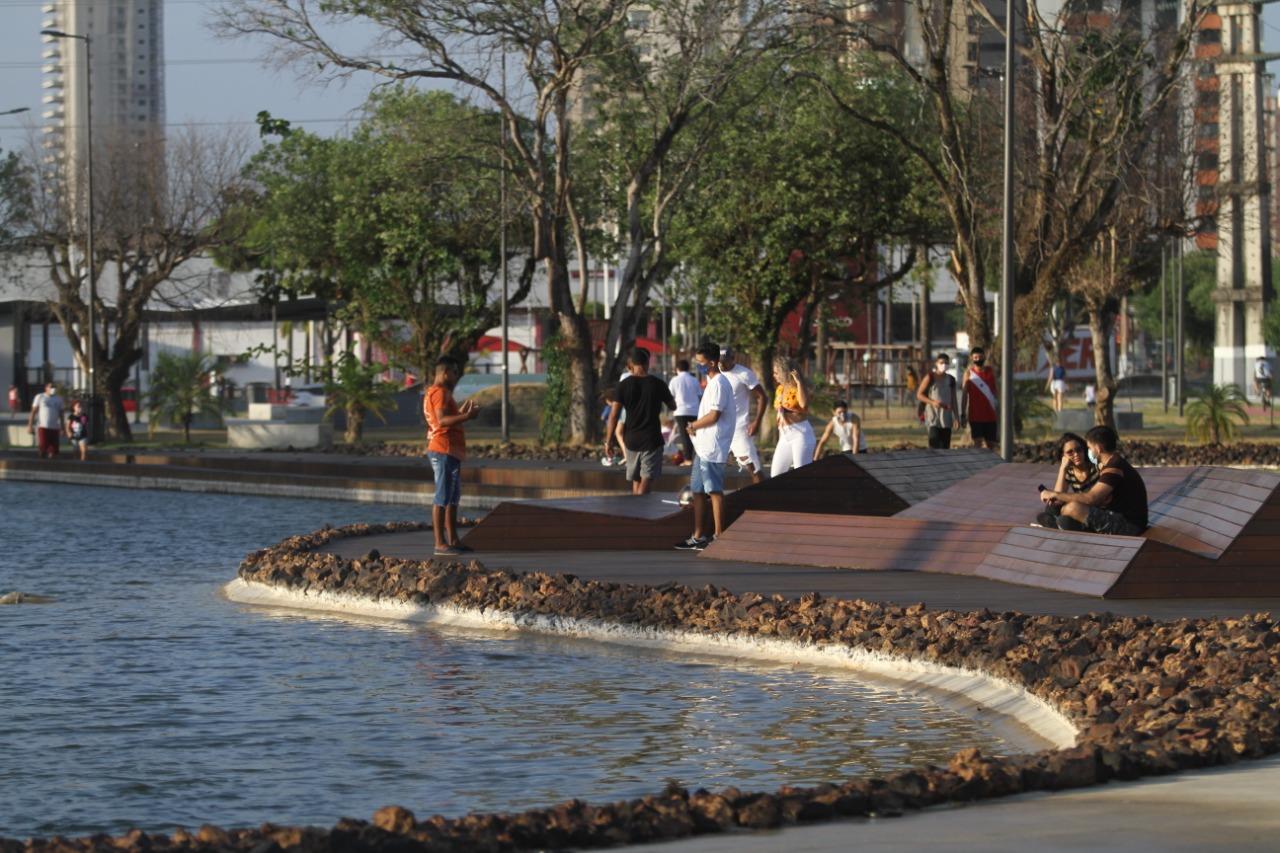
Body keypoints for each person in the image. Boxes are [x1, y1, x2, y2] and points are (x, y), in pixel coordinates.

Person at [676, 341, 736, 550]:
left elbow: (714, 415)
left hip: (713, 446)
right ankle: (698, 535)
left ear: (712, 362)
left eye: (701, 363)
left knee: (714, 491)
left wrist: (693, 424)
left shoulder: (720, 383)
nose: (698, 366)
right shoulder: (711, 383)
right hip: (702, 446)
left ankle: (719, 535)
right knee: (697, 491)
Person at [1037, 425, 1147, 535]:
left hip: (1129, 525)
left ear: (1098, 448)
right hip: (1119, 517)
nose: (1087, 451)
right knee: (1058, 510)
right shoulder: (1112, 463)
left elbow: (1091, 498)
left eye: (1089, 447)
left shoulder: (1114, 467)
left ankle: (1061, 525)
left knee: (1072, 508)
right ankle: (1062, 524)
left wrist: (1055, 495)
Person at [424, 356, 480, 557]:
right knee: (442, 496)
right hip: (443, 450)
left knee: (452, 497)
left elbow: (448, 417)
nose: (457, 377)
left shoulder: (438, 392)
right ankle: (440, 543)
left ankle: (453, 539)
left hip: (450, 451)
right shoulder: (440, 392)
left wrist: (462, 412)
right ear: (445, 372)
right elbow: (441, 421)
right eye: (455, 373)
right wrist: (467, 416)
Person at [605, 346, 677, 495]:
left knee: (636, 479)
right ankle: (640, 512)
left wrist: (609, 441)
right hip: (651, 439)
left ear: (631, 364)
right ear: (647, 363)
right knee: (647, 479)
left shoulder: (623, 386)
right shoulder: (658, 384)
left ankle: (634, 513)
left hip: (631, 440)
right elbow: (673, 406)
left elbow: (613, 416)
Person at [718, 347, 768, 484]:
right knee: (710, 467)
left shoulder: (744, 373)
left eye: (725, 361)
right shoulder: (715, 373)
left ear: (733, 359)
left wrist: (757, 421)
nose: (722, 365)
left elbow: (763, 397)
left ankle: (763, 501)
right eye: (719, 361)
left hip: (738, 428)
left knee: (753, 467)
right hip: (718, 428)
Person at [1034, 432, 1097, 526]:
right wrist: (1062, 469)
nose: (1076, 454)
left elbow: (1092, 499)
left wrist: (1055, 496)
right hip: (1078, 505)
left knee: (1063, 519)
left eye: (1079, 450)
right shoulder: (1069, 472)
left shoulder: (1095, 469)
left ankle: (1058, 524)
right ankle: (1059, 524)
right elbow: (1057, 497)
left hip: (1091, 509)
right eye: (1070, 452)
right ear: (1063, 456)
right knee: (1051, 508)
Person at [770, 356, 814, 476]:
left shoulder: (800, 387)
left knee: (801, 475)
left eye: (776, 372)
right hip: (784, 436)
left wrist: (799, 382)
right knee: (775, 475)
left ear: (784, 372)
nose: (774, 375)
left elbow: (804, 405)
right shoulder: (779, 389)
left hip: (800, 434)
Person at [959, 347, 999, 450]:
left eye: (980, 357)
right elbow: (964, 395)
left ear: (984, 357)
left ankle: (992, 465)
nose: (978, 359)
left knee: (991, 445)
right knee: (978, 444)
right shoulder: (968, 374)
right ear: (972, 358)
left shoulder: (991, 371)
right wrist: (963, 413)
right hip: (975, 416)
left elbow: (997, 391)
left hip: (991, 415)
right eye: (975, 357)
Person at [916, 353, 957, 449]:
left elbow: (954, 399)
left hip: (946, 419)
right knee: (934, 447)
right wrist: (932, 402)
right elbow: (919, 395)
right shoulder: (930, 377)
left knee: (945, 448)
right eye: (941, 362)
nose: (944, 365)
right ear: (936, 363)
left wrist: (956, 417)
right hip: (933, 418)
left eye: (946, 363)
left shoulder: (951, 379)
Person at [667, 358, 701, 466]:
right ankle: (697, 457)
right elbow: (700, 395)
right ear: (688, 368)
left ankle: (688, 459)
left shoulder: (674, 380)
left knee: (685, 436)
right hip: (694, 411)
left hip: (680, 411)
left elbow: (670, 396)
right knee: (694, 434)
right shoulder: (694, 380)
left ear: (677, 369)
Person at [27, 381, 64, 459]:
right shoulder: (40, 397)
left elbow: (61, 414)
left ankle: (52, 466)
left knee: (53, 451)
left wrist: (62, 427)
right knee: (43, 448)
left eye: (54, 387)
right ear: (46, 388)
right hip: (43, 426)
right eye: (51, 387)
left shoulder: (59, 399)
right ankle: (40, 463)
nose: (53, 389)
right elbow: (33, 412)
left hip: (54, 427)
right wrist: (30, 425)